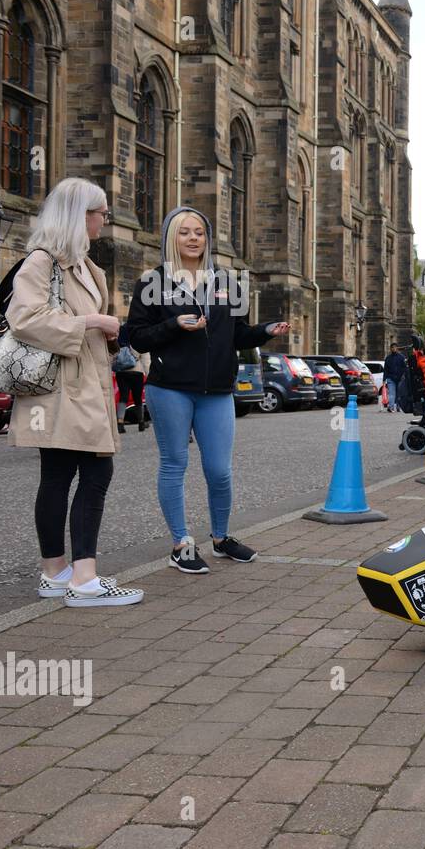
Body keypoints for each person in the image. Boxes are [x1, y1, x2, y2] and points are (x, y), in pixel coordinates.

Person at [126, 206, 291, 574]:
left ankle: (221, 538)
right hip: (170, 388)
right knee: (175, 464)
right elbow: (135, 337)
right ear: (171, 236)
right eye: (184, 232)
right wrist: (173, 325)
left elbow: (237, 335)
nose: (193, 238)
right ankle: (181, 543)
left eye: (199, 232)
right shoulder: (153, 282)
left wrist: (265, 330)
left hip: (216, 390)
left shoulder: (227, 283)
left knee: (219, 470)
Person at [7, 178, 143, 607]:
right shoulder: (42, 261)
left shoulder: (85, 264)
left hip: (81, 385)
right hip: (60, 389)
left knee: (59, 476)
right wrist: (93, 324)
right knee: (94, 473)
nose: (106, 217)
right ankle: (83, 580)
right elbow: (24, 318)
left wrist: (109, 333)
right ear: (79, 215)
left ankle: (55, 572)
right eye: (100, 211)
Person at [383, 344, 406, 412]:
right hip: (391, 378)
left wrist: (404, 376)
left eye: (395, 347)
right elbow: (385, 369)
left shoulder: (402, 357)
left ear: (397, 348)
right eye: (392, 347)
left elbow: (405, 368)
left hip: (400, 378)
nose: (393, 349)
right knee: (391, 393)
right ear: (390, 349)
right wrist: (384, 379)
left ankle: (398, 407)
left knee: (399, 393)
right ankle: (391, 407)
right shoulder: (388, 358)